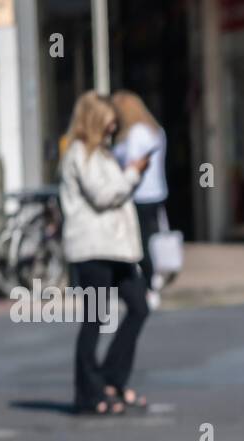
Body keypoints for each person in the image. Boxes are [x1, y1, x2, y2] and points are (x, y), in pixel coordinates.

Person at [59, 91, 152, 415]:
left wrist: (131, 174)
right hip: (93, 250)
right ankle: (87, 393)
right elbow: (102, 196)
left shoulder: (102, 154)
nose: (113, 129)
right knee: (94, 319)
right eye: (109, 123)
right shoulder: (79, 154)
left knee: (139, 306)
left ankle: (111, 379)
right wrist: (133, 173)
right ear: (95, 121)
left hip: (118, 249)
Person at [110, 90, 169, 310]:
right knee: (150, 237)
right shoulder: (156, 131)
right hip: (157, 191)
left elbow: (132, 164)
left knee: (140, 241)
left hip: (139, 193)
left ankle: (149, 282)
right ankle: (152, 278)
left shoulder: (135, 134)